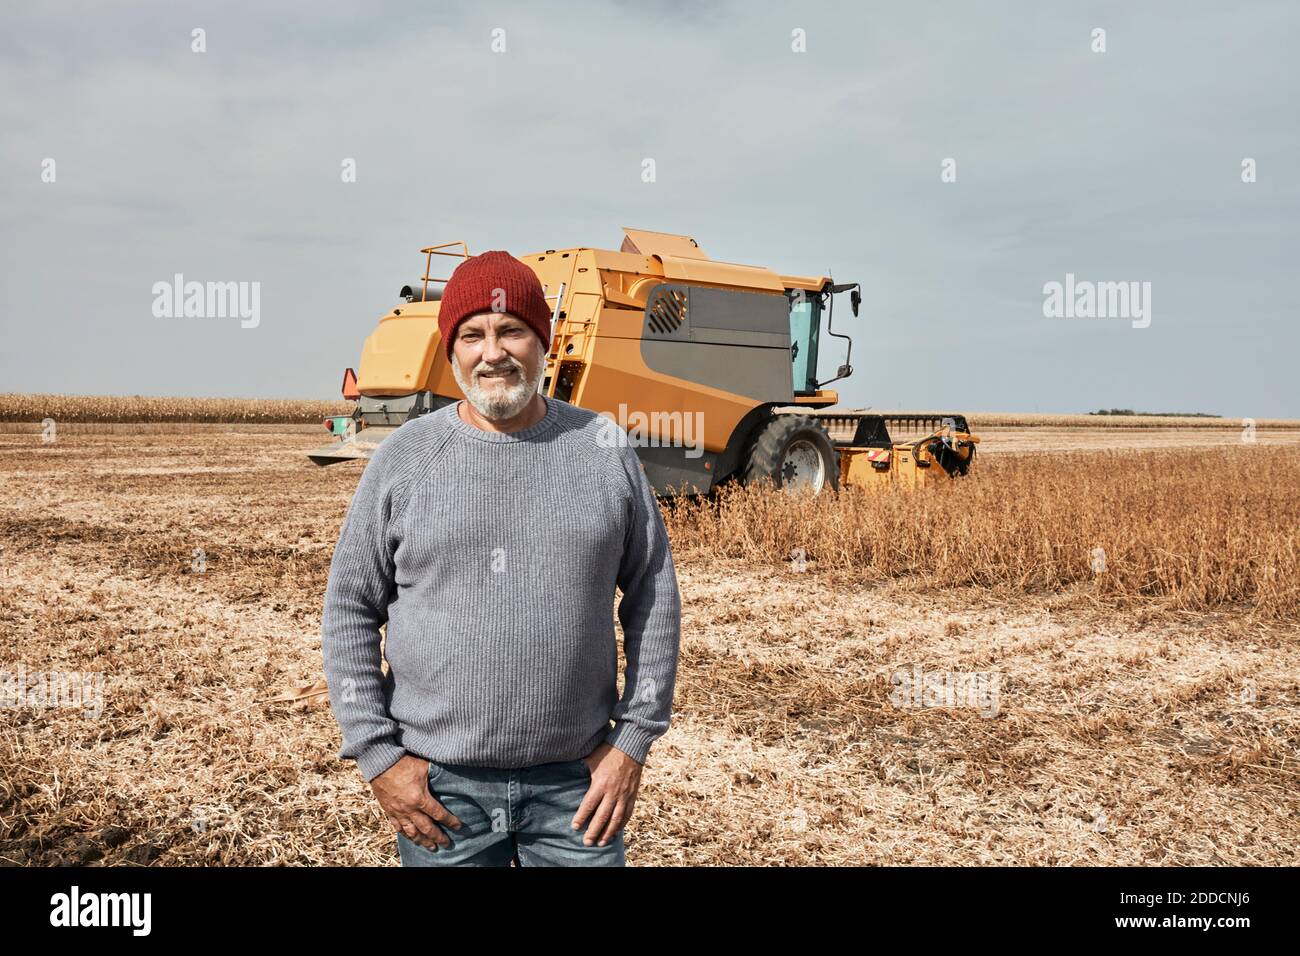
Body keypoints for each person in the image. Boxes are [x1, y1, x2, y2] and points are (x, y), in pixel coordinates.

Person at [320, 250, 682, 866]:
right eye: (472, 335)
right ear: (451, 350)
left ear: (543, 341)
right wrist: (379, 757)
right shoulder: (405, 459)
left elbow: (654, 596)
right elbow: (349, 610)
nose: (493, 352)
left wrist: (633, 742)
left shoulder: (602, 448)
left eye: (511, 329)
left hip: (578, 787)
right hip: (441, 791)